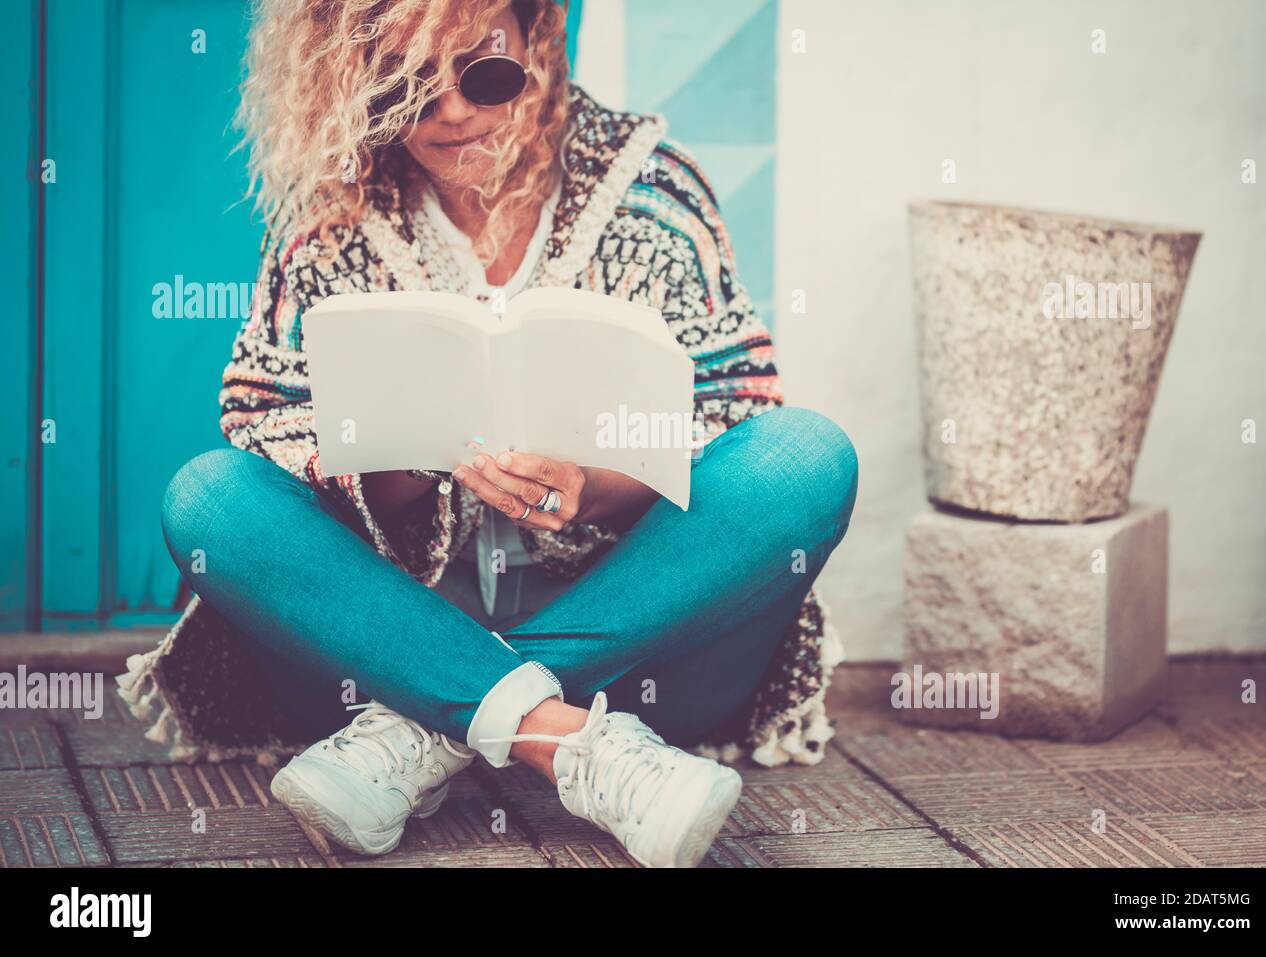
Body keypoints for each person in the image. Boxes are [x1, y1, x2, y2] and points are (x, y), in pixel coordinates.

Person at [126, 0, 858, 868]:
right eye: (404, 79)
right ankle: (574, 745)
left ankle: (428, 727)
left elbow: (735, 402)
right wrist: (414, 457)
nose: (452, 111)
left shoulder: (654, 187)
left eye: (482, 71)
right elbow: (267, 421)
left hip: (642, 654)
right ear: (350, 73)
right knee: (208, 495)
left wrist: (594, 482)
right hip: (373, 647)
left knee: (807, 456)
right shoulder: (329, 218)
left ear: (537, 36)